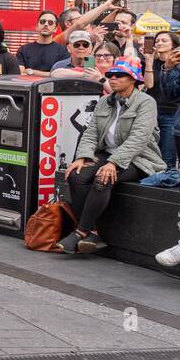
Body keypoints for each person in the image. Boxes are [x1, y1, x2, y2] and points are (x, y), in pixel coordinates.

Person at [60, 59, 164, 255]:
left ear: (133, 79)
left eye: (119, 75)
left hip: (138, 158)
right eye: (110, 76)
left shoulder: (146, 102)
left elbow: (139, 138)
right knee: (76, 174)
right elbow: (90, 133)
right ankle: (92, 232)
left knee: (103, 177)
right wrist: (82, 157)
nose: (113, 79)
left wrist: (114, 163)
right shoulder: (104, 101)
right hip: (107, 153)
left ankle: (81, 231)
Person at [144, 32, 180, 168]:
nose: (159, 43)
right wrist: (148, 61)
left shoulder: (179, 64)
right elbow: (148, 85)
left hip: (171, 114)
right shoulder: (151, 63)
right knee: (150, 155)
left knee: (167, 155)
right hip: (151, 114)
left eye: (164, 40)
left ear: (174, 45)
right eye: (157, 41)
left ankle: (167, 180)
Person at [17, 10, 65, 77]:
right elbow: (20, 73)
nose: (46, 24)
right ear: (37, 26)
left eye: (50, 22)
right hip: (29, 86)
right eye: (42, 22)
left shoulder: (62, 51)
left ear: (55, 29)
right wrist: (49, 74)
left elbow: (60, 75)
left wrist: (31, 72)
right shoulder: (23, 49)